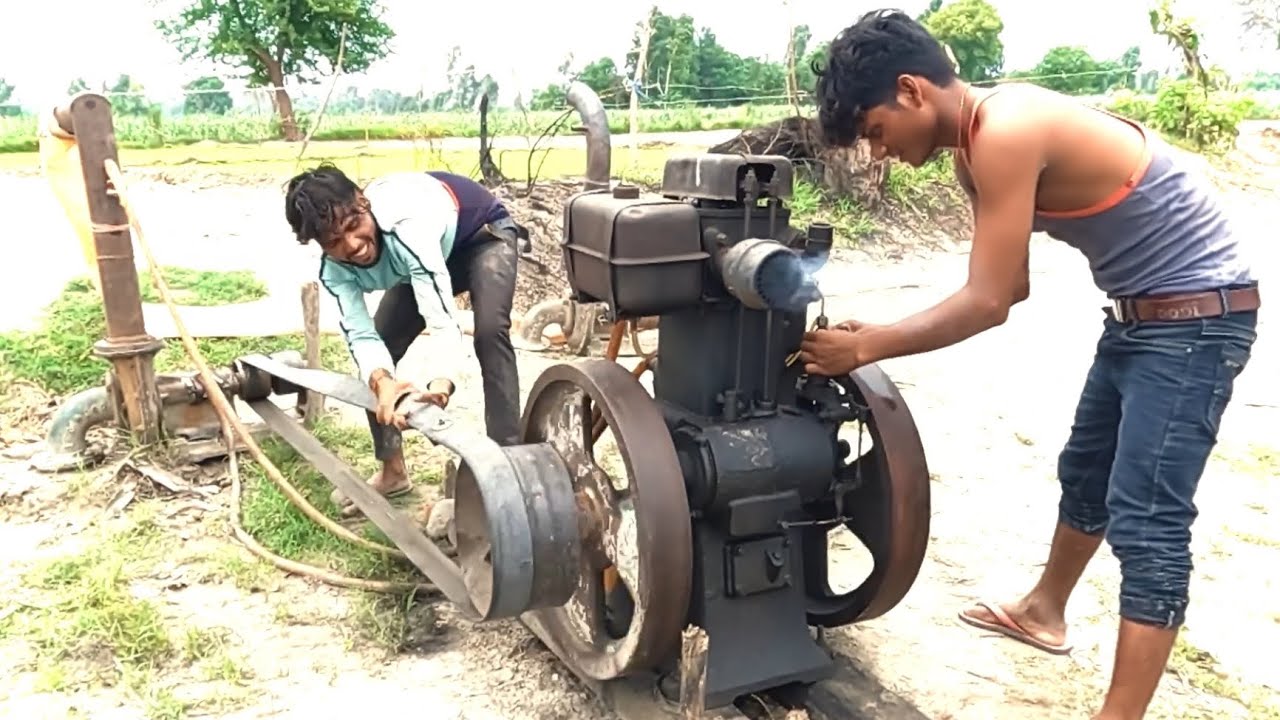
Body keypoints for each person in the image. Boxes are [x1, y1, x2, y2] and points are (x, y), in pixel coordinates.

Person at [799, 10, 1260, 720]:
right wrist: (878, 336)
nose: (881, 153)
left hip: (1199, 318)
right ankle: (1044, 611)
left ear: (912, 90)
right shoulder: (972, 147)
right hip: (1143, 312)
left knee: (1149, 521)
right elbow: (1009, 285)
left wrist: (869, 345)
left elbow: (987, 304)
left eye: (877, 132)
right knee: (1086, 470)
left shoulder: (1006, 131)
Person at [283, 164, 525, 515]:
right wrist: (382, 383)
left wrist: (439, 387)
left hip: (480, 236)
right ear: (319, 244)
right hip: (423, 256)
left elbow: (441, 321)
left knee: (490, 332)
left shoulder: (406, 230)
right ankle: (393, 472)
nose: (353, 246)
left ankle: (509, 468)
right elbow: (363, 336)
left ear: (363, 203)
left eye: (353, 227)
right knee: (381, 347)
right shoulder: (335, 270)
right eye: (334, 242)